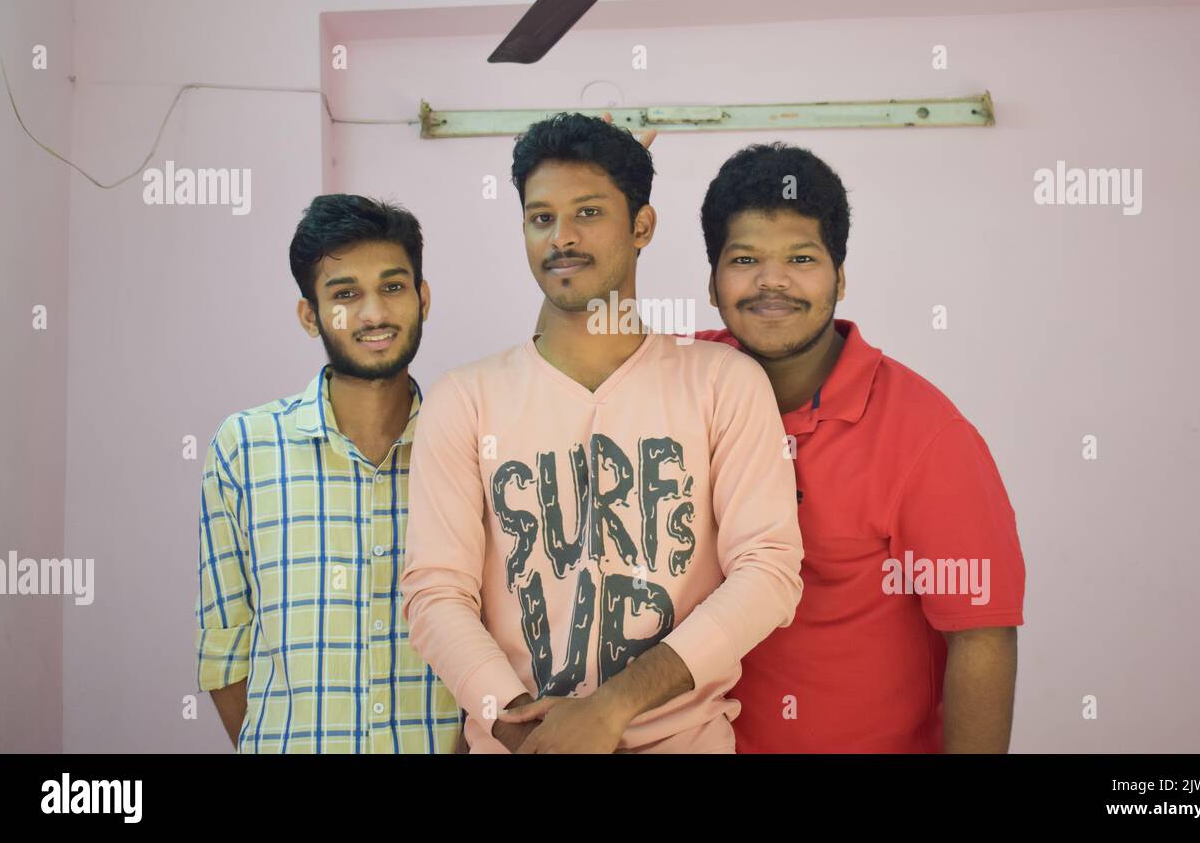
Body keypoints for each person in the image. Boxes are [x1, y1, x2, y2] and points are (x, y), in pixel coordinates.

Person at [401, 113, 804, 753]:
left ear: (641, 225)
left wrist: (610, 709)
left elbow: (768, 574)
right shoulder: (464, 399)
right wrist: (523, 727)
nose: (561, 237)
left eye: (588, 212)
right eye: (541, 217)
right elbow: (435, 596)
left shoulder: (722, 382)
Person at [694, 143, 1025, 752]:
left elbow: (981, 634)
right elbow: (568, 354)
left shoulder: (928, 435)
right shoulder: (675, 380)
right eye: (744, 258)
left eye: (801, 257)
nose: (773, 281)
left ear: (840, 278)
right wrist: (608, 196)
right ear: (712, 282)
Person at [196, 194, 460, 753]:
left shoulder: (469, 446)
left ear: (423, 298)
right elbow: (225, 648)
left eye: (393, 286)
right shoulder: (244, 449)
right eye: (345, 295)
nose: (373, 314)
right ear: (309, 315)